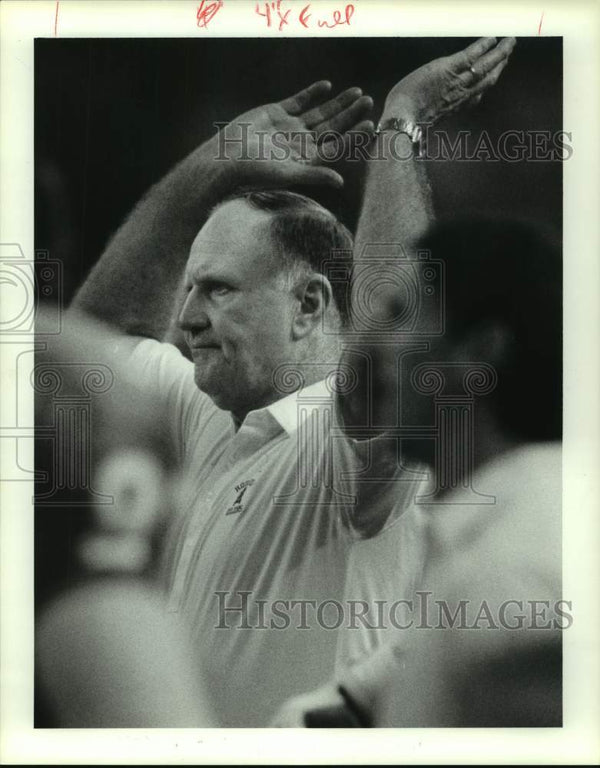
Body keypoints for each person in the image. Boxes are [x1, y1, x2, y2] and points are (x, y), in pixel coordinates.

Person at [69, 38, 515, 725]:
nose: (185, 319)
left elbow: (393, 355)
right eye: (188, 290)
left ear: (308, 305)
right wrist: (210, 166)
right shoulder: (210, 416)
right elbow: (85, 360)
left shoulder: (345, 450)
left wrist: (400, 128)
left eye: (217, 290)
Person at [271, 218, 563, 727]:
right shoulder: (505, 535)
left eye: (400, 315)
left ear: (480, 352)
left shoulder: (510, 575)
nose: (366, 343)